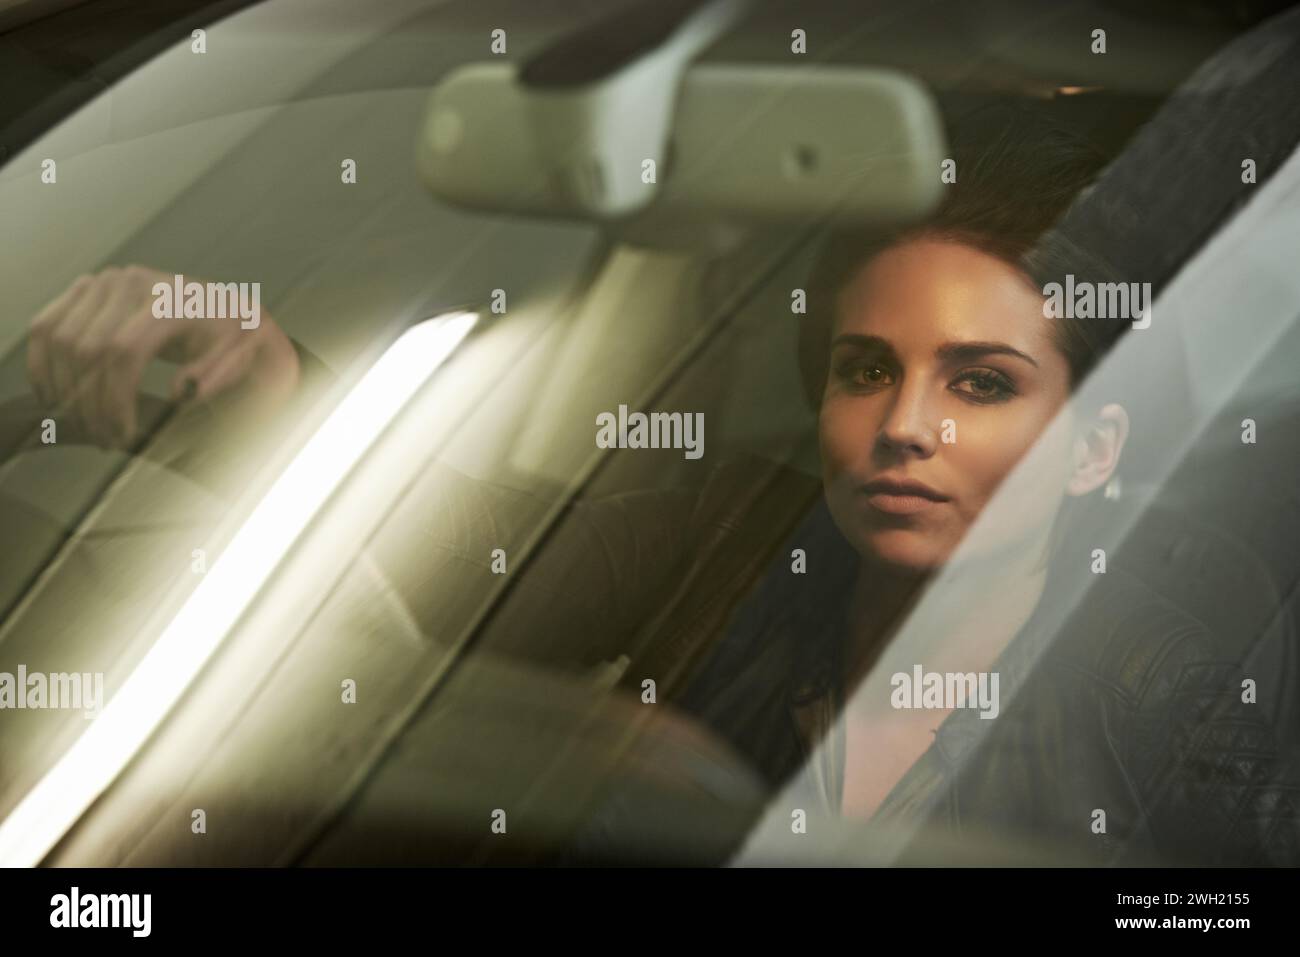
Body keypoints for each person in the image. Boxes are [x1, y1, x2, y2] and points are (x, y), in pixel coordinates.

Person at [24, 107, 1296, 866]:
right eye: (866, 369)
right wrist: (267, 374)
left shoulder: (1180, 714)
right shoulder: (729, 534)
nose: (904, 427)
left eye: (979, 385)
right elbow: (476, 553)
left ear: (1093, 447)